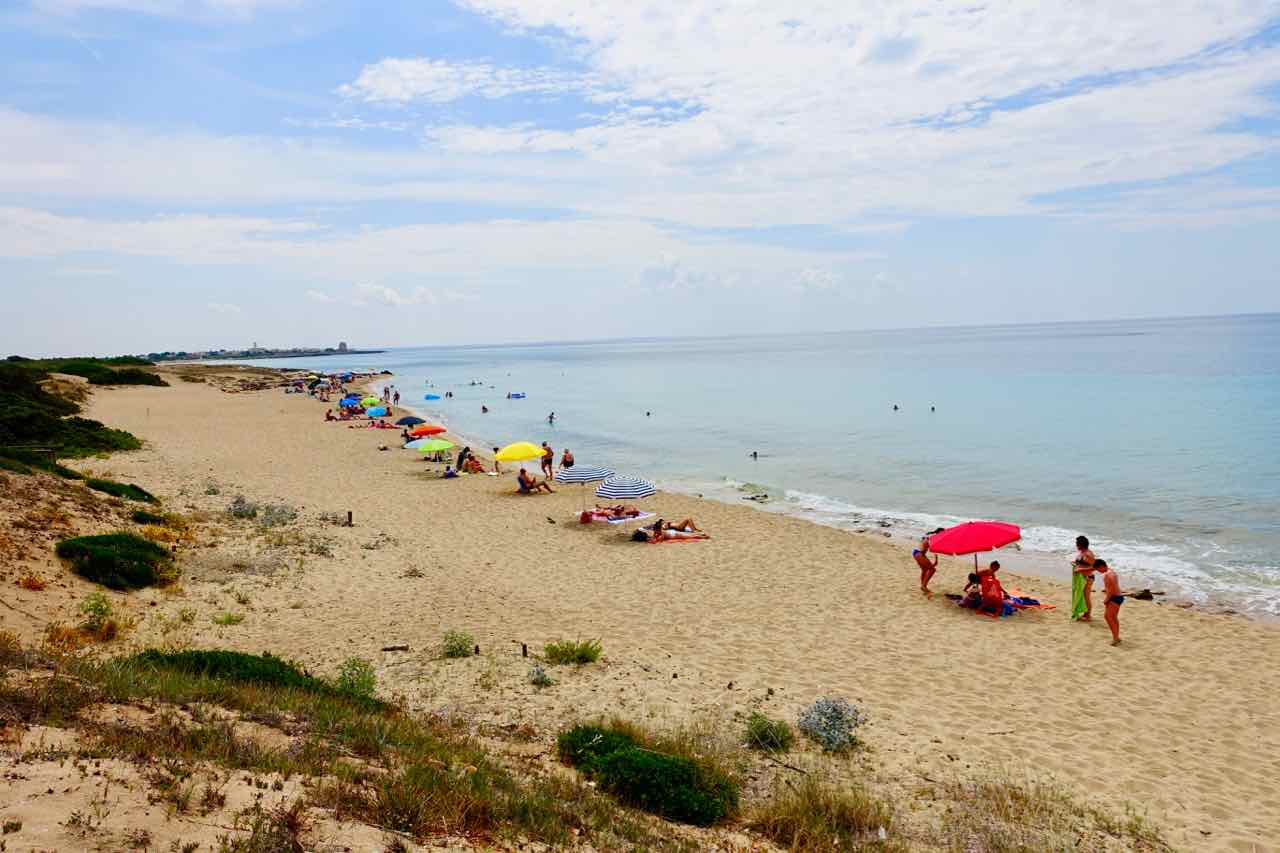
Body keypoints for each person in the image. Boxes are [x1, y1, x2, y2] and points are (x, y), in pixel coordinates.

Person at [1094, 560, 1123, 645]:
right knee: (1113, 618)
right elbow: (1112, 586)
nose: (1098, 571)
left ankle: (1115, 638)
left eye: (1098, 569)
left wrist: (1106, 599)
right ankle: (1117, 637)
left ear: (1101, 566)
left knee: (1108, 617)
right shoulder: (1112, 572)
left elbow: (1111, 589)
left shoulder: (1107, 575)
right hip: (1118, 596)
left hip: (1114, 597)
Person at [1072, 535, 1097, 622]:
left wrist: (1080, 569)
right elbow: (1081, 563)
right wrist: (1075, 564)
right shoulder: (1082, 552)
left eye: (1077, 544)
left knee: (1086, 597)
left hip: (1088, 578)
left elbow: (1094, 567)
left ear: (1081, 545)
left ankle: (1088, 615)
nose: (1076, 545)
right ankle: (1083, 613)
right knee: (1080, 596)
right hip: (1081, 577)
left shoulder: (1088, 554)